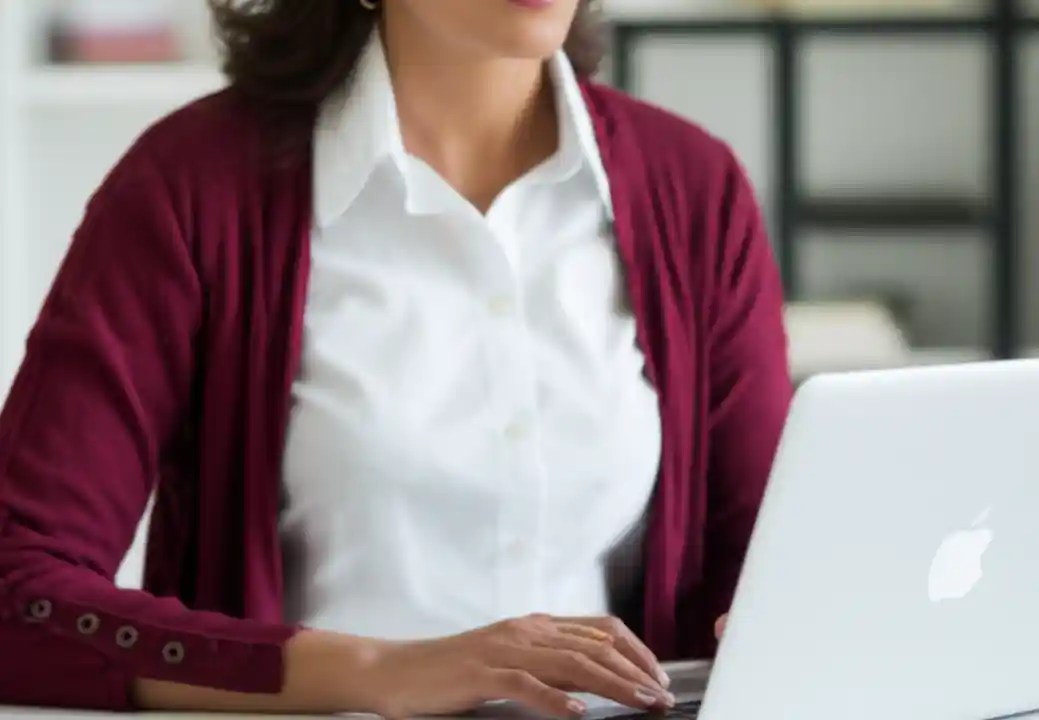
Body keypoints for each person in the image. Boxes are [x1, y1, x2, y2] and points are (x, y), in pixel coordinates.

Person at [0, 0, 791, 717]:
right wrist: (380, 670)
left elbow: (770, 567)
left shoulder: (695, 189)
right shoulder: (190, 189)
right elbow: (16, 593)